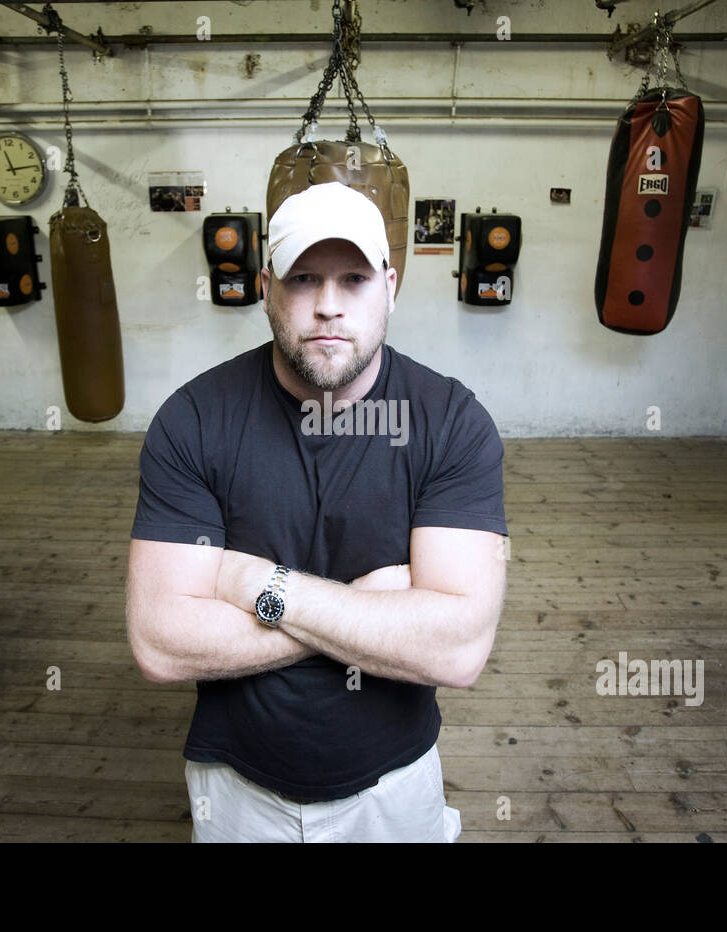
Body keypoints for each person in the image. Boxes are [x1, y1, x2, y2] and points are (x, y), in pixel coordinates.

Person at [126, 181, 508, 843]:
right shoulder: (192, 420)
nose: (328, 307)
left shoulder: (452, 423)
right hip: (235, 782)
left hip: (395, 780)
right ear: (267, 286)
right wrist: (371, 612)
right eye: (304, 279)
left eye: (353, 279)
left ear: (390, 286)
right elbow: (161, 643)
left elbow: (458, 650)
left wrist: (254, 586)